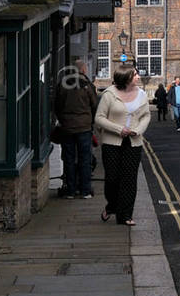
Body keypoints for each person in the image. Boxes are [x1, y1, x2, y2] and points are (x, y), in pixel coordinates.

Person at [94, 64, 151, 225]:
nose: (138, 77)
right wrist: (119, 129)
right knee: (112, 178)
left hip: (133, 143)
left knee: (129, 179)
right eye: (135, 75)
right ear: (125, 78)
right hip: (112, 142)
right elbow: (99, 118)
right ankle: (112, 205)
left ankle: (125, 215)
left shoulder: (141, 95)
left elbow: (146, 116)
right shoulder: (109, 95)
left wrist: (138, 130)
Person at [52, 59, 98, 199]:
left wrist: (63, 119)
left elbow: (57, 105)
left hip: (67, 128)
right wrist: (90, 121)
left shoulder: (62, 84)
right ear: (83, 70)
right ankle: (85, 190)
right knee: (85, 159)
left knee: (69, 159)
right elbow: (94, 105)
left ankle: (70, 190)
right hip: (84, 127)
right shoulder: (87, 85)